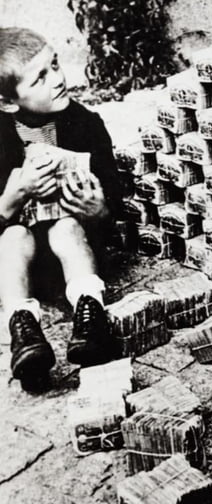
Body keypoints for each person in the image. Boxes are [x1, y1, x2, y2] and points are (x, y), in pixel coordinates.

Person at [0, 27, 122, 390]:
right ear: (7, 102)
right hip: (23, 266)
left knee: (66, 228)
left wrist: (99, 209)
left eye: (54, 65)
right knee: (12, 237)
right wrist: (12, 198)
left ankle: (90, 317)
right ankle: (24, 331)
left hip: (74, 252)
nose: (57, 79)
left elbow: (113, 202)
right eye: (40, 77)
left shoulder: (85, 124)